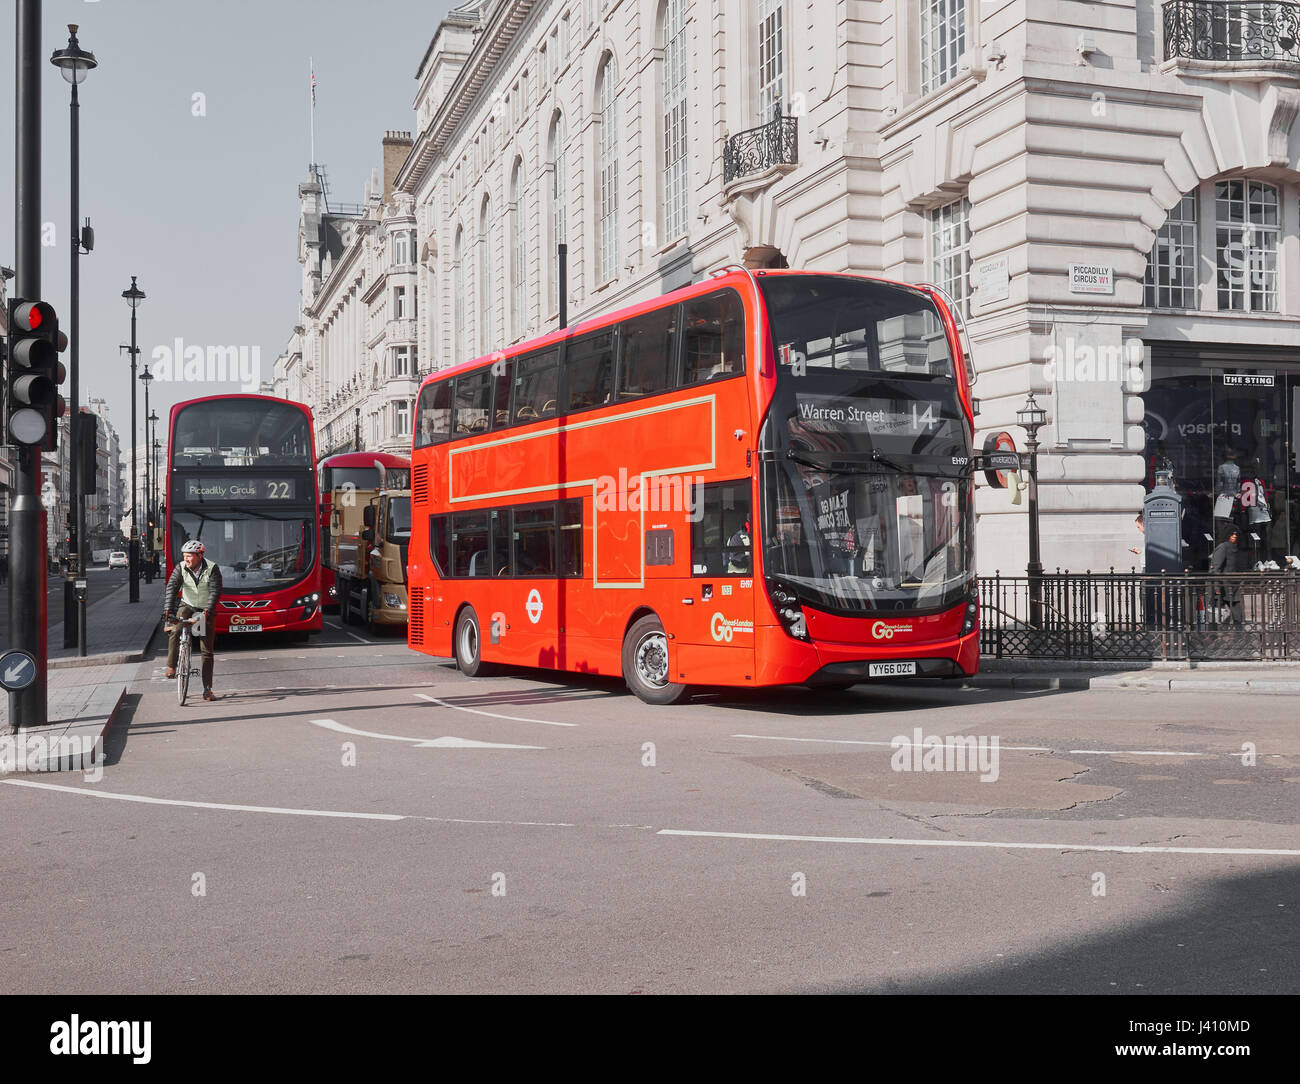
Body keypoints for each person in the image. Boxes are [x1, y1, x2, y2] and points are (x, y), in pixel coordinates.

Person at [163, 539, 223, 700]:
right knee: (176, 630)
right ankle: (171, 667)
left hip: (204, 609)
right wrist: (168, 610)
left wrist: (206, 613)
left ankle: (207, 689)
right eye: (184, 556)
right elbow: (172, 587)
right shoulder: (181, 567)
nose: (186, 559)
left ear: (199, 555)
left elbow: (214, 592)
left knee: (206, 650)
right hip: (187, 605)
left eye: (189, 556)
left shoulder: (212, 569)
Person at [1209, 528, 1244, 627]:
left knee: (1238, 616)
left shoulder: (1235, 548)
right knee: (1216, 616)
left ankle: (1239, 637)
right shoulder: (1223, 547)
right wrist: (1216, 587)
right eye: (1232, 534)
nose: (1234, 536)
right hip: (1221, 586)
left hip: (1233, 586)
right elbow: (1216, 568)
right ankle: (1212, 637)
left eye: (1236, 534)